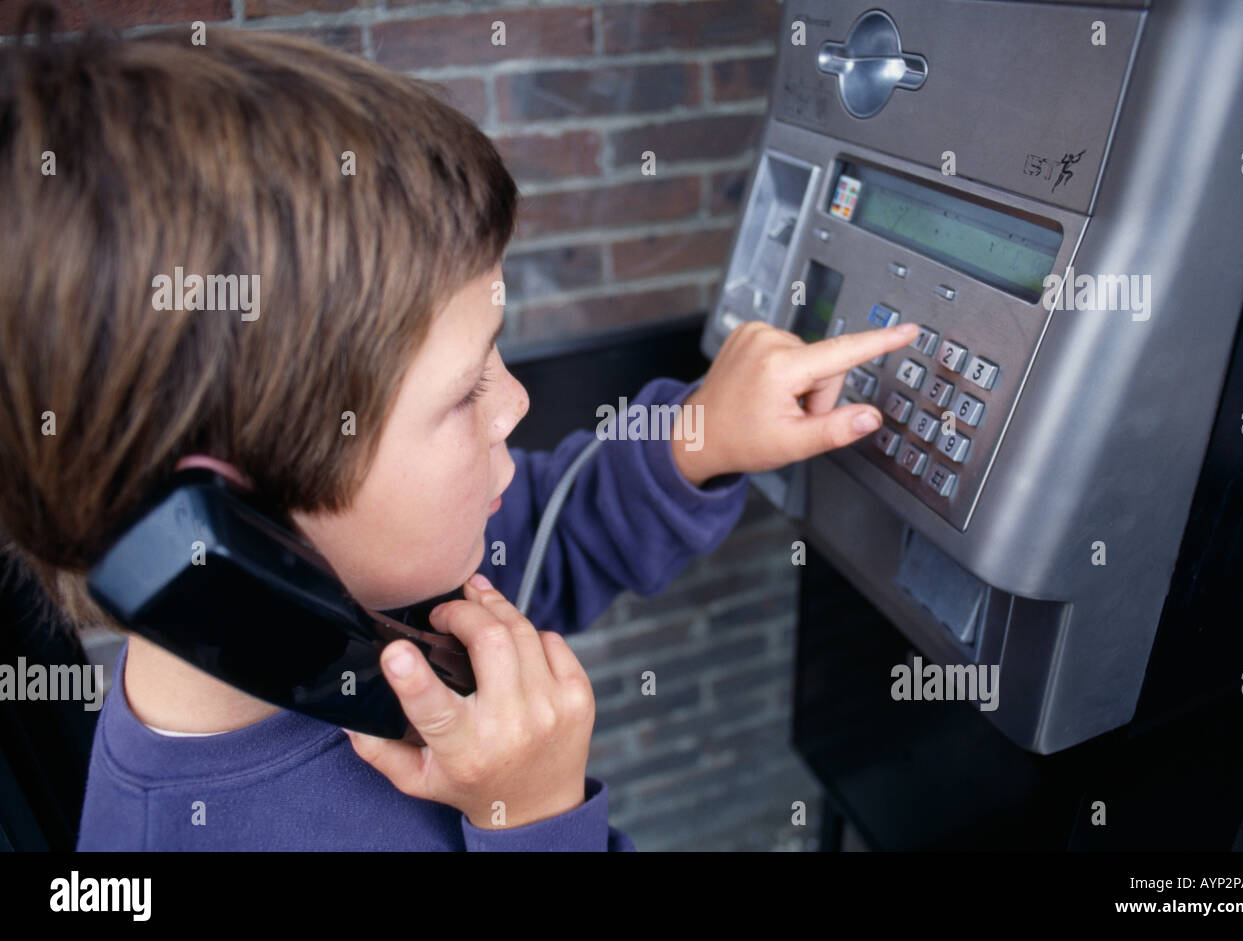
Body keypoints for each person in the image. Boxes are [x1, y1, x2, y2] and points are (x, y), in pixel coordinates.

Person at [0, 20, 918, 850]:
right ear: (236, 514)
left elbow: (547, 538)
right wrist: (537, 820)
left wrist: (695, 437)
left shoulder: (374, 580)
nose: (514, 403)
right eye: (464, 387)